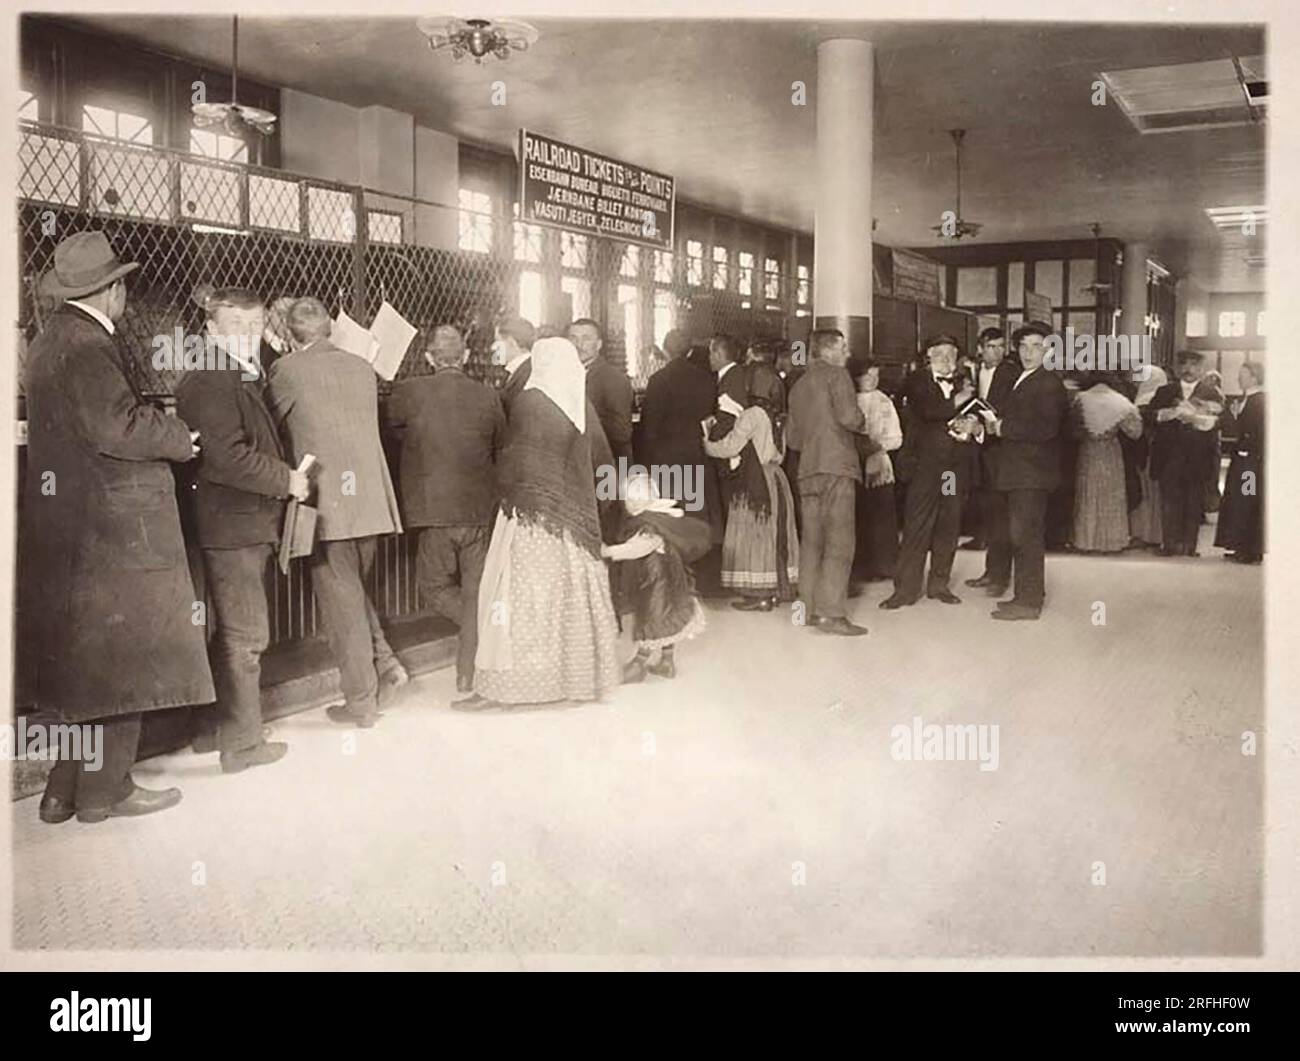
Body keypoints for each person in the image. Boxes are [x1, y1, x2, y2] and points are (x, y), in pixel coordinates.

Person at [22, 231, 214, 823]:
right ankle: (107, 793)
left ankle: (62, 791)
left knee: (85, 663)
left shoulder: (48, 341)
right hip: (113, 527)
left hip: (67, 526)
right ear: (113, 290)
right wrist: (180, 437)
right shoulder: (89, 344)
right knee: (128, 658)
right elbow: (117, 427)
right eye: (123, 285)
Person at [175, 287, 310, 774]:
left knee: (229, 633)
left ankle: (213, 729)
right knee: (246, 637)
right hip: (234, 526)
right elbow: (226, 457)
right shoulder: (215, 379)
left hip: (232, 524)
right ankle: (243, 744)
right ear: (211, 330)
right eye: (236, 328)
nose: (248, 337)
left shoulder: (232, 374)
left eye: (254, 327)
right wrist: (286, 479)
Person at [267, 297, 407, 727]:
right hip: (371, 505)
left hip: (327, 507)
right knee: (349, 594)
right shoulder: (361, 366)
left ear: (291, 335)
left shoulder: (287, 370)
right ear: (330, 328)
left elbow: (268, 424)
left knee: (341, 606)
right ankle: (386, 662)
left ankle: (362, 703)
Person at [468, 337, 622, 706]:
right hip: (572, 522)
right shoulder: (579, 403)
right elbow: (603, 464)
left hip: (530, 519)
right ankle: (574, 683)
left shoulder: (530, 401)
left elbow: (516, 463)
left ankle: (507, 688)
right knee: (570, 602)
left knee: (516, 600)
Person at [387, 325, 505, 693]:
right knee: (476, 591)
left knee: (434, 587)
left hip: (432, 510)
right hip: (479, 511)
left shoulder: (408, 392)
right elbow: (501, 446)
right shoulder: (488, 396)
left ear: (428, 358)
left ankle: (479, 634)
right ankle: (468, 669)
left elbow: (391, 435)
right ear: (466, 357)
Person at [882, 336, 980, 609]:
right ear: (929, 356)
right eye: (941, 354)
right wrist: (959, 399)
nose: (948, 360)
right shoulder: (916, 381)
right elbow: (928, 410)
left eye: (952, 354)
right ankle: (905, 590)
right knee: (916, 526)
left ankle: (939, 585)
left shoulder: (965, 381)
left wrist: (973, 422)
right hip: (924, 468)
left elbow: (977, 412)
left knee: (948, 523)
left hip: (952, 470)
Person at [785, 328, 872, 636]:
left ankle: (805, 609)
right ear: (829, 350)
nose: (847, 353)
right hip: (837, 466)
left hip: (807, 470)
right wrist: (864, 420)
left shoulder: (797, 386)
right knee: (839, 542)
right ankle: (831, 615)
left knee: (811, 542)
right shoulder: (838, 376)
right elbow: (849, 417)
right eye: (843, 347)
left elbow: (793, 440)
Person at [983, 322, 1070, 621]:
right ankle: (1025, 595)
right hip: (1021, 471)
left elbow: (1046, 428)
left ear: (1048, 350)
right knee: (1021, 536)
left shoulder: (1047, 382)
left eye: (1036, 346)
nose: (1028, 352)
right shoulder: (1026, 378)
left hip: (1031, 473)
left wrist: (1002, 426)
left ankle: (1029, 602)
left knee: (1026, 537)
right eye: (1023, 346)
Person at [702, 367, 800, 611]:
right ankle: (776, 590)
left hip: (755, 481)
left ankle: (759, 595)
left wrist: (706, 442)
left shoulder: (752, 414)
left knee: (753, 534)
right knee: (775, 534)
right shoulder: (780, 416)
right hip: (777, 479)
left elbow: (730, 447)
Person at [601, 472, 710, 683]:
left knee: (651, 621)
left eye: (632, 499)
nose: (629, 504)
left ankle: (638, 666)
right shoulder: (659, 516)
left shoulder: (648, 525)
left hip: (656, 584)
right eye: (628, 499)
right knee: (667, 622)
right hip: (669, 580)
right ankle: (666, 662)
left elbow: (637, 549)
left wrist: (608, 551)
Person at [1143, 349, 1223, 558]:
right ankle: (1169, 545)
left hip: (1198, 456)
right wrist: (1167, 414)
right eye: (1184, 365)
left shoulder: (1211, 392)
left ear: (1201, 369)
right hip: (1169, 455)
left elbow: (1222, 422)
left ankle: (1189, 547)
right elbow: (1149, 416)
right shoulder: (1165, 391)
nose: (1188, 370)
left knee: (1193, 503)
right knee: (1169, 501)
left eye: (1194, 366)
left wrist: (1201, 416)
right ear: (1178, 368)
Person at [1069, 372, 1144, 553]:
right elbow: (1135, 432)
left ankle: (1085, 540)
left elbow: (1072, 427)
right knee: (1111, 495)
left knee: (1088, 493)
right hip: (1110, 450)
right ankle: (1110, 542)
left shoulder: (1081, 399)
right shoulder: (1121, 401)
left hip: (1088, 450)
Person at [960, 327, 1013, 550]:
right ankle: (979, 534)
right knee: (974, 488)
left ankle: (994, 537)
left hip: (997, 442)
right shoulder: (968, 372)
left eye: (1001, 347)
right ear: (980, 349)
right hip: (970, 440)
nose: (998, 352)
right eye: (992, 347)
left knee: (995, 491)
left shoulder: (1010, 373)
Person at [850, 361, 902, 583]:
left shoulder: (884, 401)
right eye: (868, 375)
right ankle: (861, 568)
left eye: (876, 376)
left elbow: (896, 438)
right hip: (853, 465)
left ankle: (885, 566)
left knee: (881, 518)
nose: (873, 380)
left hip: (880, 466)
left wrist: (876, 449)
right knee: (858, 517)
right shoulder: (848, 399)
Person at [1215, 361, 1264, 563]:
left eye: (1243, 375)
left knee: (1248, 500)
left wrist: (1246, 448)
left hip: (1250, 462)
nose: (1238, 378)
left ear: (1254, 377)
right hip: (1244, 460)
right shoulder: (1249, 399)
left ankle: (1250, 548)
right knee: (1241, 500)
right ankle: (1241, 544)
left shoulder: (1259, 400)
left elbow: (1257, 432)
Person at [570, 318, 634, 462]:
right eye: (573, 338)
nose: (578, 345)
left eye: (586, 339)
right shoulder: (566, 375)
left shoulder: (613, 378)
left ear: (598, 345)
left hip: (607, 464)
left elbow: (622, 432)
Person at [1127, 365, 1167, 547]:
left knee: (1145, 493)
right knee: (1156, 494)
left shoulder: (1143, 400)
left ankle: (1143, 534)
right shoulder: (1164, 399)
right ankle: (1157, 534)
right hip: (1159, 453)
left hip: (1145, 452)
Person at [494, 314, 536, 414]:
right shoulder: (523, 369)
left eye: (497, 341)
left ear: (511, 342)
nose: (493, 347)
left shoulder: (528, 373)